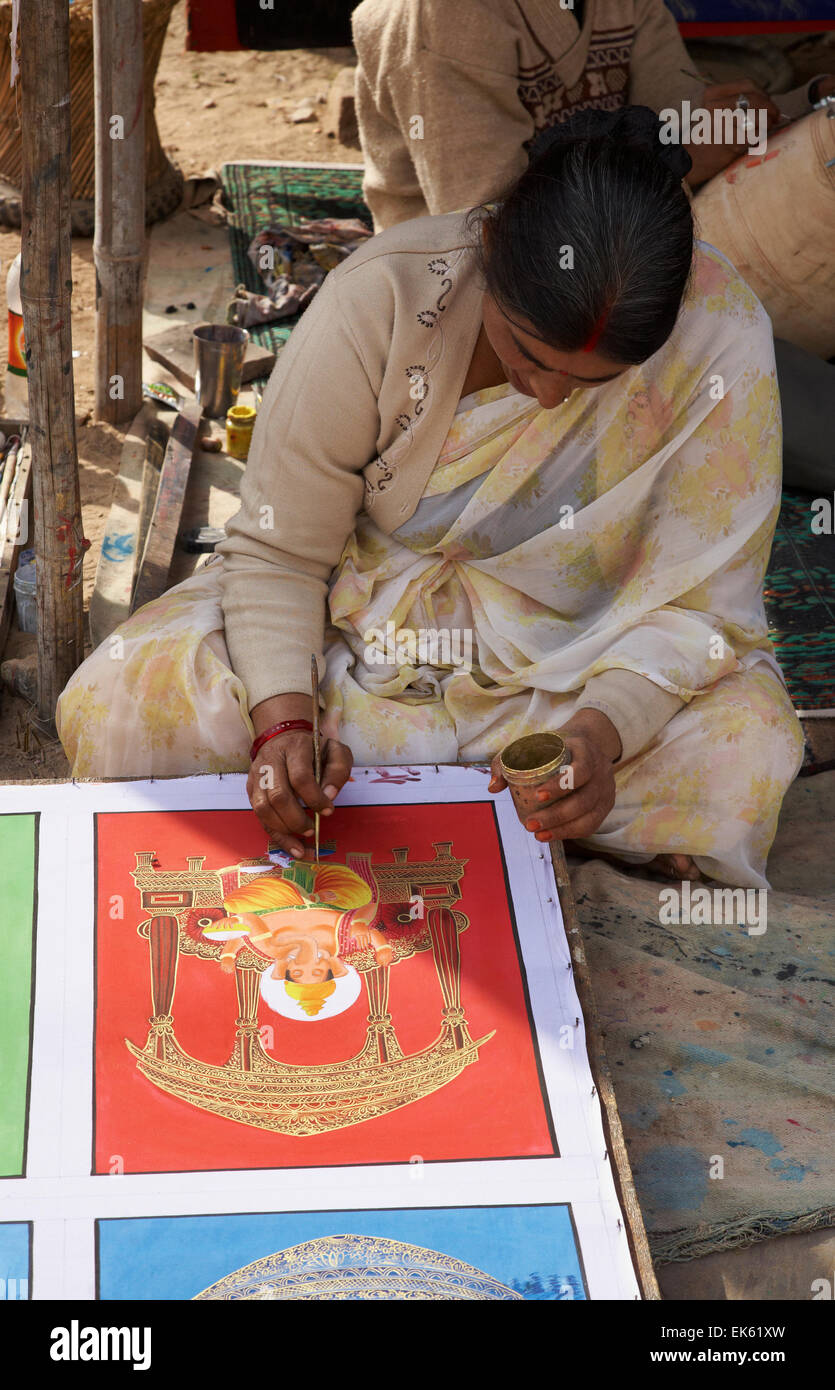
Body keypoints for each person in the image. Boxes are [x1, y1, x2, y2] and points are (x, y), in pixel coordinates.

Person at [57, 109, 804, 890]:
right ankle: (527, 820)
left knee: (745, 751)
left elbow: (703, 610)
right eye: (524, 354)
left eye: (590, 384)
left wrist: (600, 734)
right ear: (487, 252)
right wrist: (285, 723)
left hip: (576, 660)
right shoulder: (382, 297)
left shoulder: (717, 334)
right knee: (123, 697)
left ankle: (454, 796)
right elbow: (280, 552)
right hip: (362, 633)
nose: (548, 399)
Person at [351, 0, 832, 230]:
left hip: (611, 228)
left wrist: (808, 104)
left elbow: (680, 108)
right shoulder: (442, 16)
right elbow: (485, 223)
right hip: (459, 283)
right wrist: (671, 163)